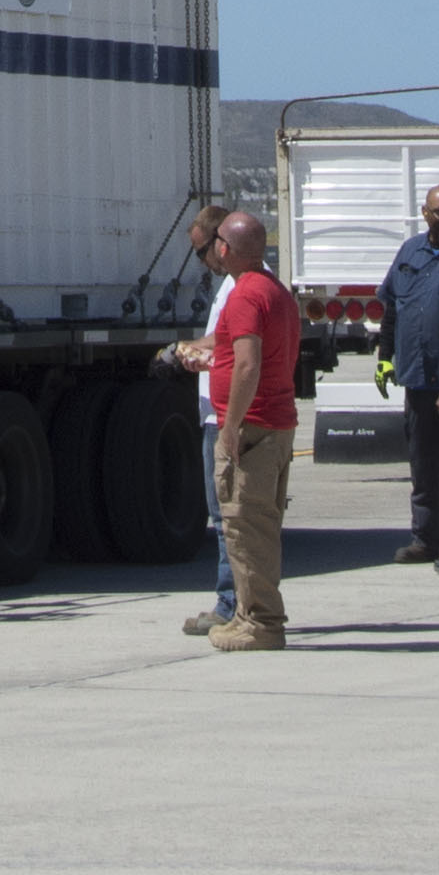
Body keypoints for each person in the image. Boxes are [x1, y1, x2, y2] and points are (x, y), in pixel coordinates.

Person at [163, 204, 300, 650]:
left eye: (216, 243)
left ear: (228, 248)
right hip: (274, 423)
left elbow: (247, 364)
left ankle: (260, 623)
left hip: (253, 427)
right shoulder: (272, 290)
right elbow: (231, 348)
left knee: (244, 525)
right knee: (254, 525)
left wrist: (231, 425)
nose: (213, 251)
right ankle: (251, 614)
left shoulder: (244, 295)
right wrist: (194, 351)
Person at [374, 181, 439, 564]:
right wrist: (385, 358)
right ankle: (425, 538)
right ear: (425, 214)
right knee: (423, 464)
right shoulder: (409, 251)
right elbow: (392, 310)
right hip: (416, 377)